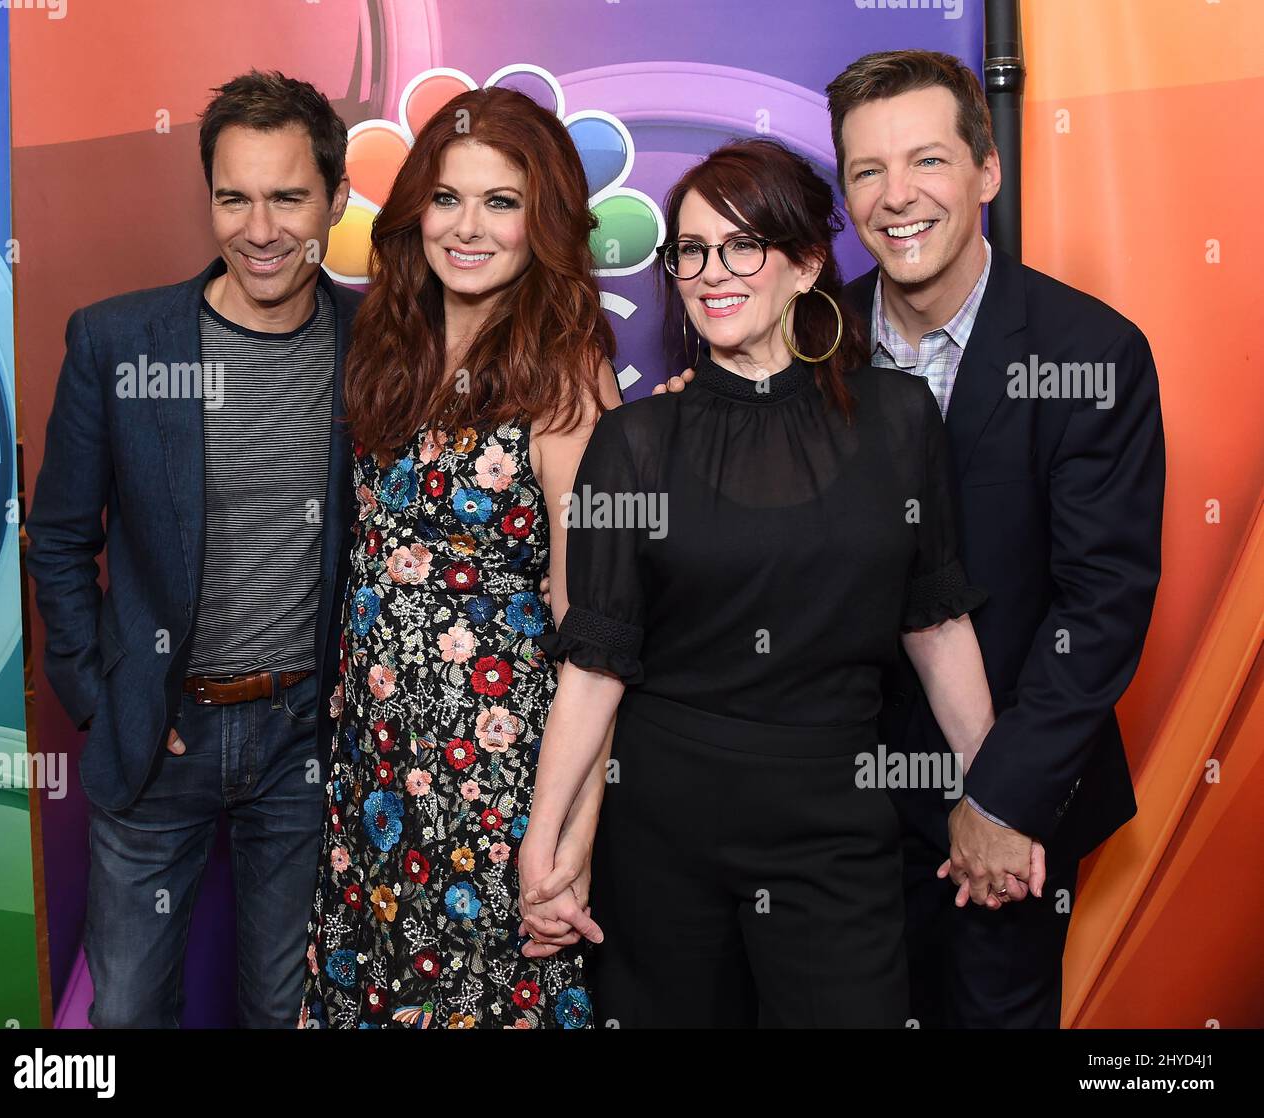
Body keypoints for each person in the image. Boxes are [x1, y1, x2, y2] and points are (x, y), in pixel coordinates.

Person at [521, 137, 999, 1028]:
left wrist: (995, 790)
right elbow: (595, 665)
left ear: (808, 262)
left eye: (742, 246)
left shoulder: (900, 422)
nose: (711, 272)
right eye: (691, 251)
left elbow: (935, 624)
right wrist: (544, 844)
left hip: (836, 829)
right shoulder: (637, 442)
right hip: (663, 835)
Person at [825, 49, 1164, 1029]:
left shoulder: (1088, 352)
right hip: (833, 811)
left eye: (926, 161)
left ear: (986, 170)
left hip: (1013, 803)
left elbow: (1100, 606)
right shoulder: (812, 342)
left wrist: (1002, 799)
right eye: (866, 171)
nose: (896, 197)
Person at [25, 71, 361, 1027]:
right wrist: (103, 695)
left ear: (335, 199)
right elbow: (56, 540)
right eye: (233, 196)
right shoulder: (119, 341)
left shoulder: (377, 344)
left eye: (289, 196)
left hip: (304, 737)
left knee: (287, 1005)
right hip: (160, 731)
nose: (260, 228)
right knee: (126, 1010)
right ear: (208, 195)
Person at [297, 86, 617, 1030]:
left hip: (501, 792)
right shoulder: (387, 351)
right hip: (374, 780)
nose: (467, 227)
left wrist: (571, 842)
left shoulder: (563, 371)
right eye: (447, 198)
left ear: (542, 221)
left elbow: (594, 632)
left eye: (501, 202)